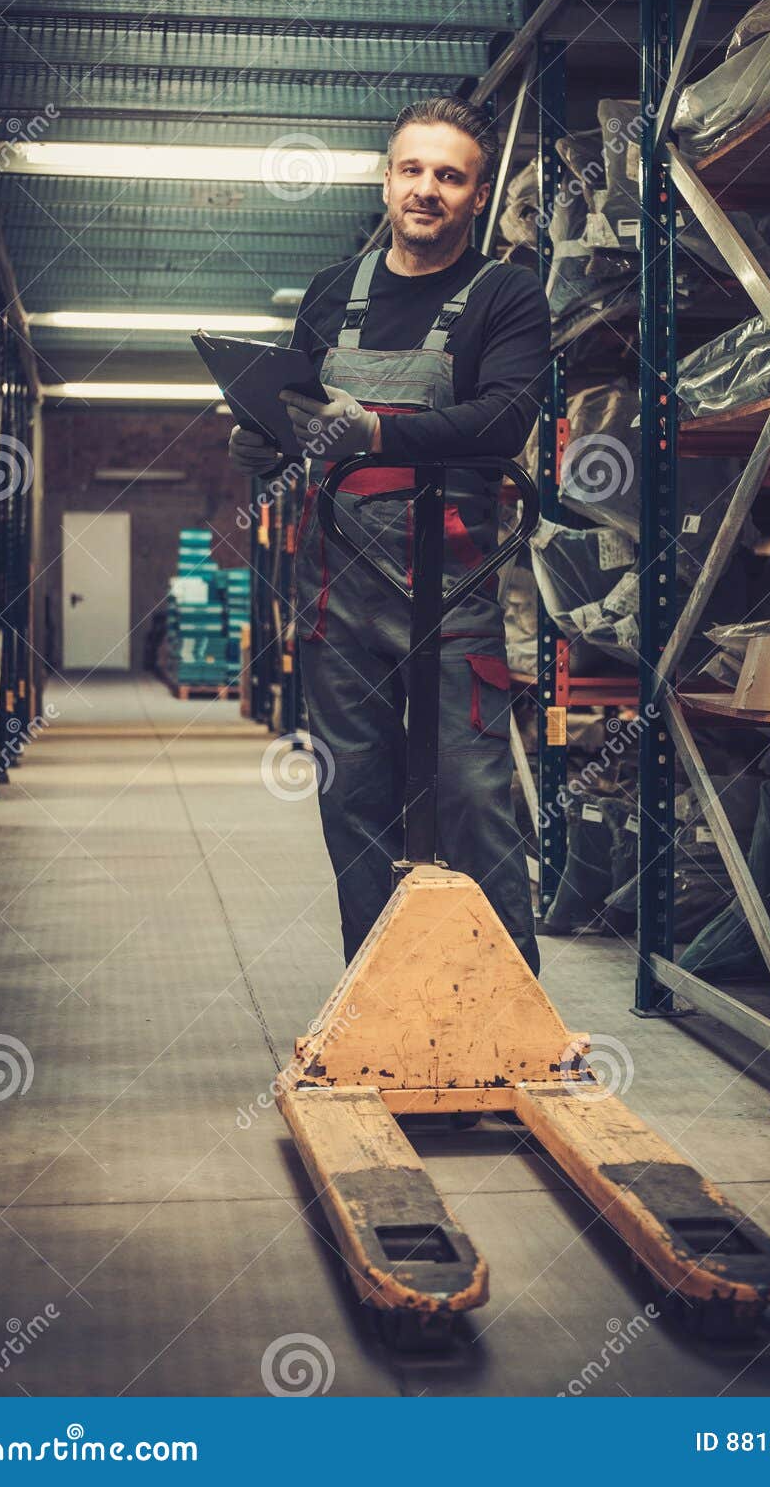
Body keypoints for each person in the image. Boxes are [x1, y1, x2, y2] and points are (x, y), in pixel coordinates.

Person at [229, 96, 549, 973]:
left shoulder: (505, 297)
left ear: (476, 196)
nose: (427, 190)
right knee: (354, 804)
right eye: (412, 169)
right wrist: (262, 440)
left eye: (450, 176)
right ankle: (377, 1007)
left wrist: (375, 432)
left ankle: (510, 1015)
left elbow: (502, 419)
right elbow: (298, 418)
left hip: (451, 593)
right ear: (386, 179)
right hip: (337, 589)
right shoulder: (334, 293)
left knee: (475, 797)